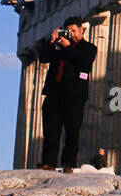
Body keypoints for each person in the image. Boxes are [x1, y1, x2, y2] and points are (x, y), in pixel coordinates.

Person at [38, 20, 98, 172]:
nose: (71, 34)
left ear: (81, 30)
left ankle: (69, 163)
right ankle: (48, 163)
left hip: (75, 95)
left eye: (74, 31)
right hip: (54, 93)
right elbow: (43, 58)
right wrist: (52, 41)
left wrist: (68, 47)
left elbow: (84, 63)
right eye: (68, 31)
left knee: (72, 131)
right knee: (51, 130)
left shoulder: (89, 48)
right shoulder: (58, 47)